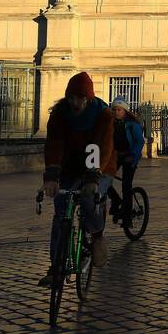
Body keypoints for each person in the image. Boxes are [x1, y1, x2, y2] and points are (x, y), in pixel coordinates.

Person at [39, 72, 116, 285]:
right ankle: (56, 266)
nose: (75, 103)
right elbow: (54, 144)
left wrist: (93, 177)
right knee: (61, 210)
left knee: (90, 199)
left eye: (80, 99)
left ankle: (97, 236)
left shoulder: (103, 115)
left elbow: (101, 146)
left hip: (101, 164)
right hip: (71, 165)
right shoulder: (59, 114)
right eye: (72, 98)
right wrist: (52, 175)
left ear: (88, 98)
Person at [107, 97, 144, 235]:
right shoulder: (110, 123)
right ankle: (116, 199)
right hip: (116, 155)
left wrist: (133, 155)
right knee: (104, 179)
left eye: (119, 110)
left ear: (125, 111)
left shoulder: (132, 124)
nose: (116, 112)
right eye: (114, 109)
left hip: (130, 156)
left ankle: (127, 216)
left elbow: (139, 142)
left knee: (126, 185)